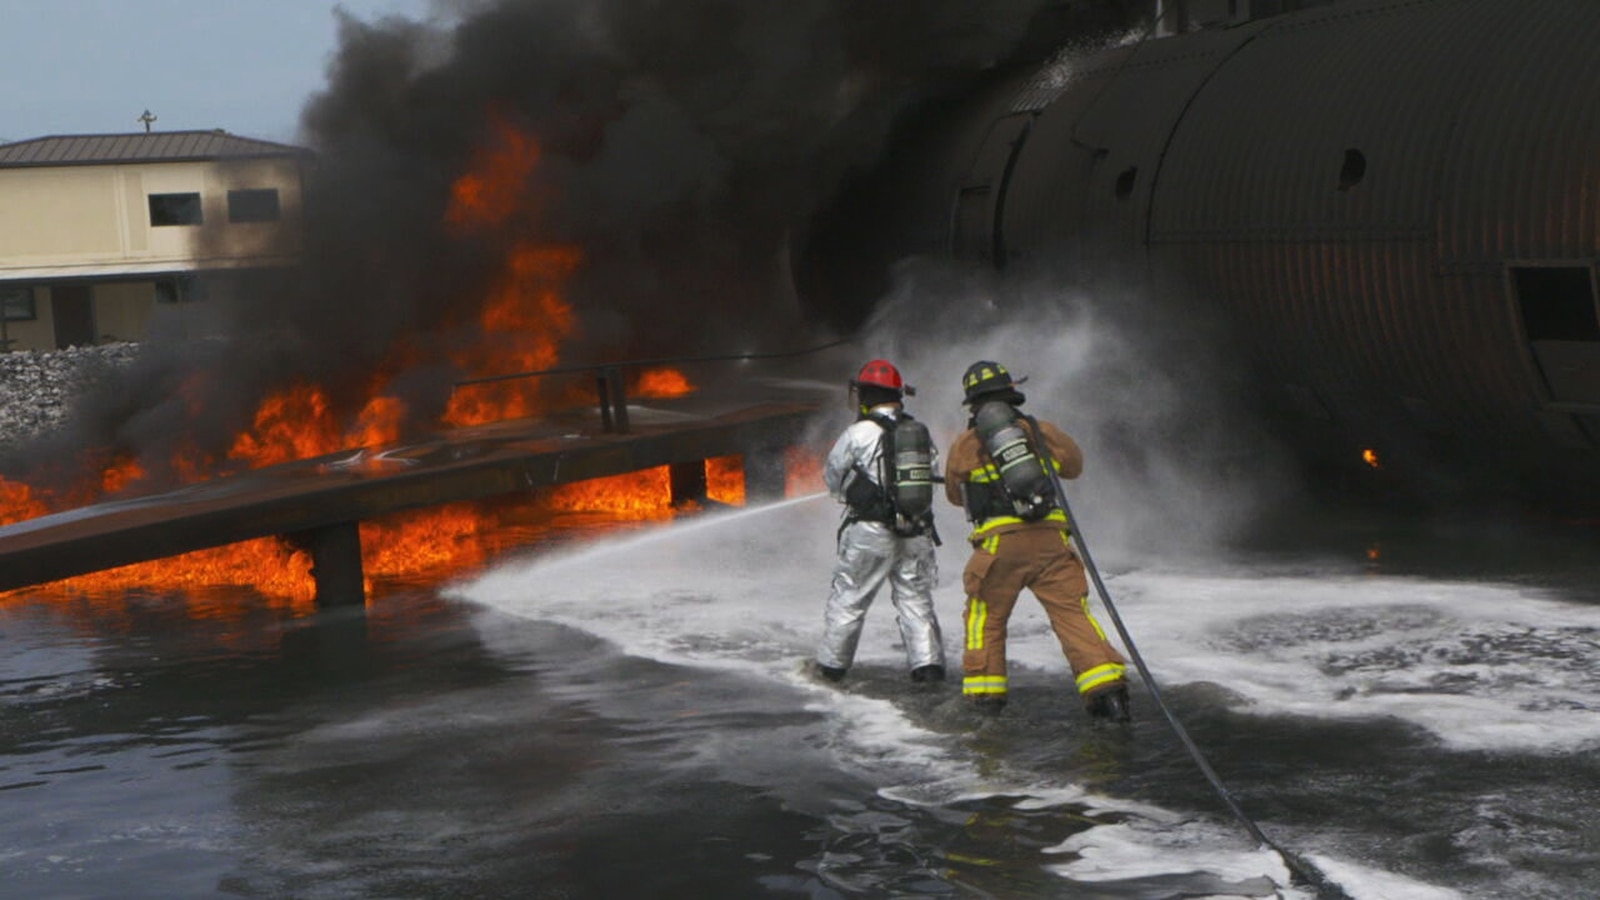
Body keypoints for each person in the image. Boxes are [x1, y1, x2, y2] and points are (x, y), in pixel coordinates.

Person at [942, 360, 1130, 721]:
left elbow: (953, 495)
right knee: (1073, 614)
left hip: (999, 546)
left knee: (985, 618)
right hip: (1051, 541)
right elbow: (1073, 466)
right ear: (1011, 393)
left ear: (973, 403)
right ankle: (1109, 696)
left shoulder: (966, 444)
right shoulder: (1039, 431)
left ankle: (985, 704)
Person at [813, 359, 946, 685]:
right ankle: (927, 669)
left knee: (850, 599)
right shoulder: (918, 433)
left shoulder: (857, 434)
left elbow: (833, 477)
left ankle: (831, 669)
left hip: (870, 532)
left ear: (865, 396)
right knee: (916, 601)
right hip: (915, 531)